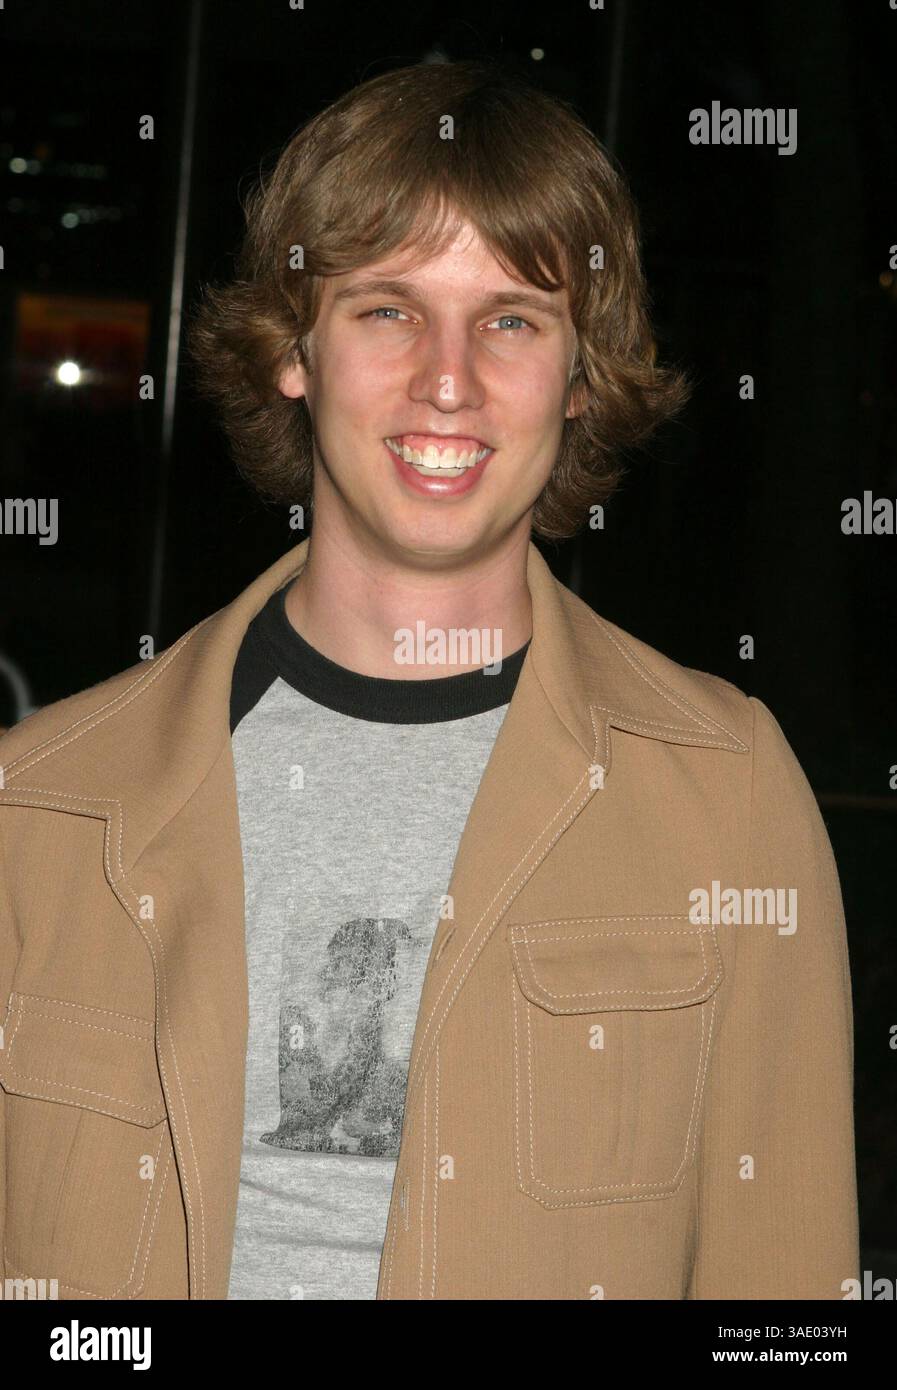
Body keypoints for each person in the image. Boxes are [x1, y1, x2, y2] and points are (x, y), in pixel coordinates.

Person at [0, 59, 858, 1301]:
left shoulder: (725, 795)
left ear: (579, 375)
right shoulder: (38, 810)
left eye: (512, 317)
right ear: (295, 351)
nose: (447, 379)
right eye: (388, 309)